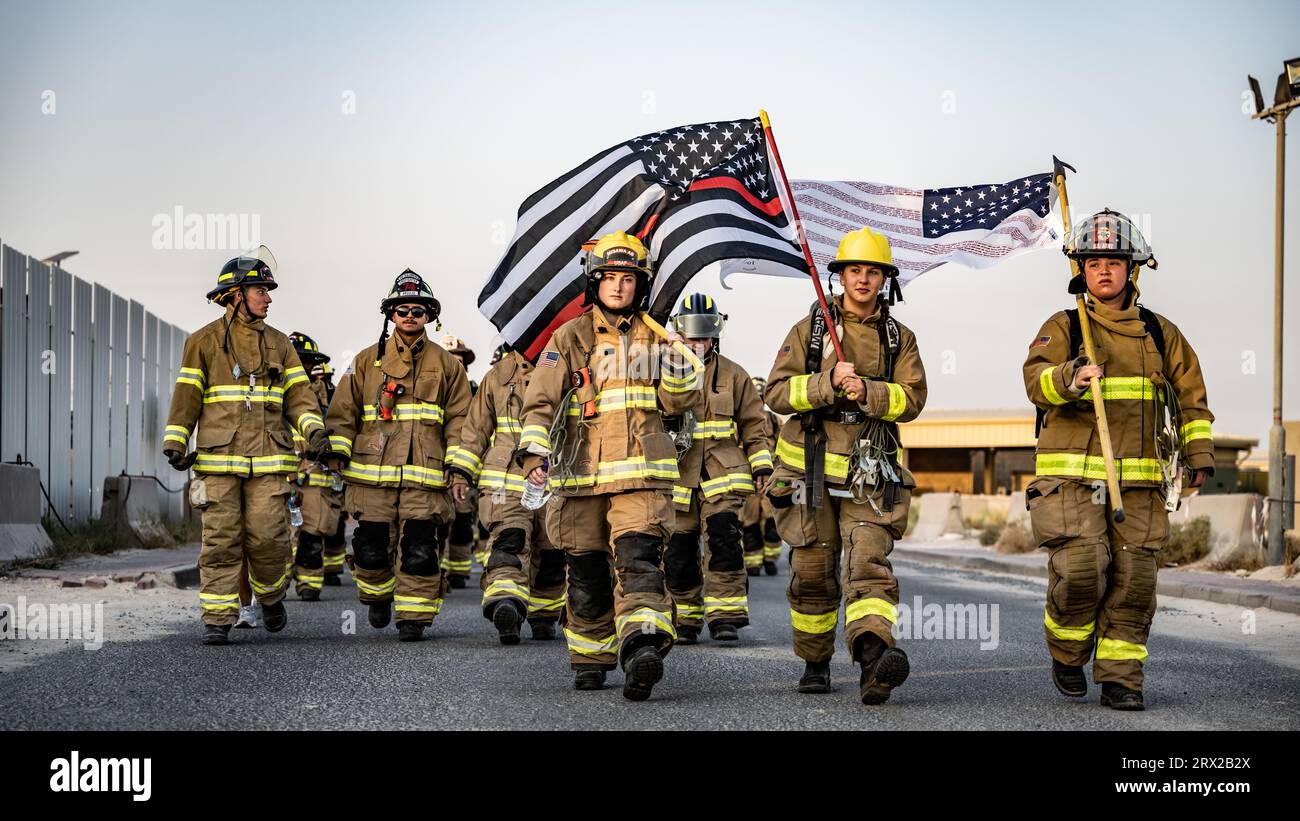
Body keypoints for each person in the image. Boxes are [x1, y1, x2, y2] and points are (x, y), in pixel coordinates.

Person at [1024, 209, 1214, 711]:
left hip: (1141, 484)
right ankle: (1067, 653)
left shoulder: (1161, 332)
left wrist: (1199, 455)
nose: (1103, 271)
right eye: (1092, 263)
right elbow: (1034, 381)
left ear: (1133, 269)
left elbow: (1192, 399)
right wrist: (1069, 378)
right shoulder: (1064, 326)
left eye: (1113, 261)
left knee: (1134, 583)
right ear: (1079, 271)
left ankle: (1121, 678)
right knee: (1083, 570)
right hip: (1071, 482)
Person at [516, 231, 702, 700]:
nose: (619, 287)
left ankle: (641, 645)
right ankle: (589, 657)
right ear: (594, 282)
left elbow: (678, 402)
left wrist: (679, 358)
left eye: (628, 279)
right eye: (610, 278)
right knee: (587, 574)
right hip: (580, 480)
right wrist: (535, 453)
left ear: (641, 285)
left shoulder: (658, 336)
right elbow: (539, 402)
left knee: (639, 561)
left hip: (642, 476)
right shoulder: (570, 337)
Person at [765, 226, 927, 704]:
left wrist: (872, 393)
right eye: (854, 269)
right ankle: (815, 661)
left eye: (872, 271)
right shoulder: (809, 331)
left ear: (885, 279)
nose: (863, 279)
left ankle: (874, 659)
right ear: (839, 276)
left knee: (868, 565)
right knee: (813, 570)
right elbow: (776, 393)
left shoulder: (901, 339)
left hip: (870, 476)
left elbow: (913, 398)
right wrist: (826, 384)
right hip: (807, 474)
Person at [162, 246, 327, 646]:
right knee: (220, 539)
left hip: (269, 461)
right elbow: (187, 396)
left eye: (268, 292)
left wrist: (315, 431)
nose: (268, 298)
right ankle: (218, 618)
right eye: (260, 291)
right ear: (236, 295)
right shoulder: (201, 342)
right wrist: (176, 440)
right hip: (218, 462)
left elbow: (300, 397)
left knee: (269, 538)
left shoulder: (280, 345)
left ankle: (270, 598)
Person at [324, 269, 473, 642]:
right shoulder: (363, 363)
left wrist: (458, 470)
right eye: (403, 309)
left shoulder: (448, 366)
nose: (410, 316)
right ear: (391, 315)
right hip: (372, 478)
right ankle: (377, 596)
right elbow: (342, 414)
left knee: (420, 550)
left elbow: (461, 421)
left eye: (418, 311)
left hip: (426, 478)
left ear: (429, 317)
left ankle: (414, 618)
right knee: (371, 551)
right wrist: (337, 456)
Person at [661, 293, 773, 644]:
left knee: (724, 542)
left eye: (705, 335)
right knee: (678, 550)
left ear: (716, 336)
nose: (699, 343)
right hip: (677, 479)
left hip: (723, 476)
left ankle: (725, 615)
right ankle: (685, 618)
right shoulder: (661, 371)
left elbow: (755, 425)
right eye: (692, 336)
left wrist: (762, 467)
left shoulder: (735, 376)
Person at [447, 342, 566, 644]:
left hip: (555, 481)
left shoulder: (570, 368)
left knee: (551, 553)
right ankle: (507, 605)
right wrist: (462, 472)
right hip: (505, 483)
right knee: (508, 542)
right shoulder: (496, 376)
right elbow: (475, 430)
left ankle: (544, 615)